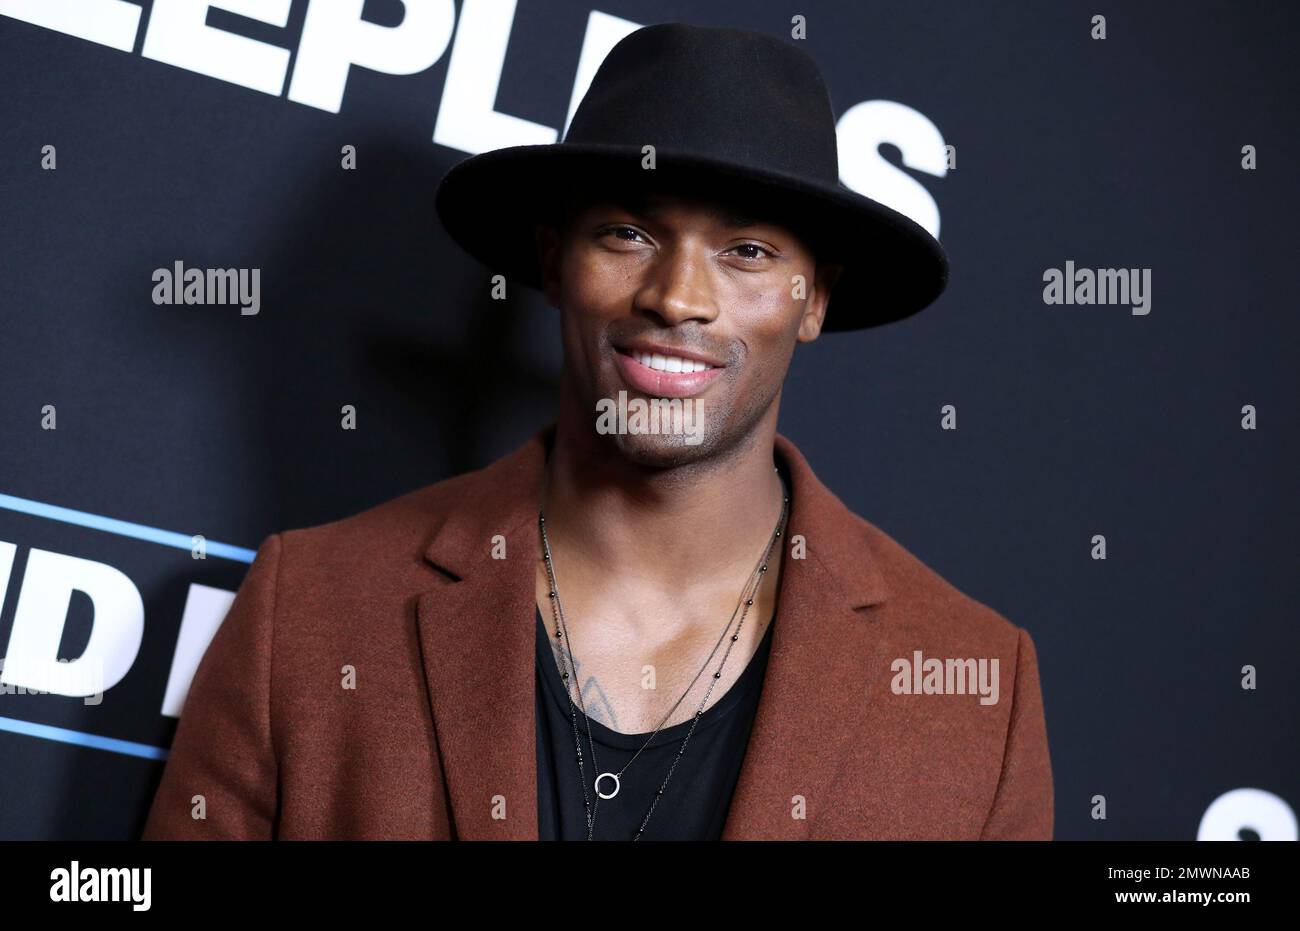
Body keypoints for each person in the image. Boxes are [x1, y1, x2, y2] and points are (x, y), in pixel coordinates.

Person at [142, 22, 1052, 841]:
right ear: (552, 262)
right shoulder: (309, 609)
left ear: (811, 298)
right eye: (626, 232)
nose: (678, 298)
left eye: (747, 251)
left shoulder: (972, 684)